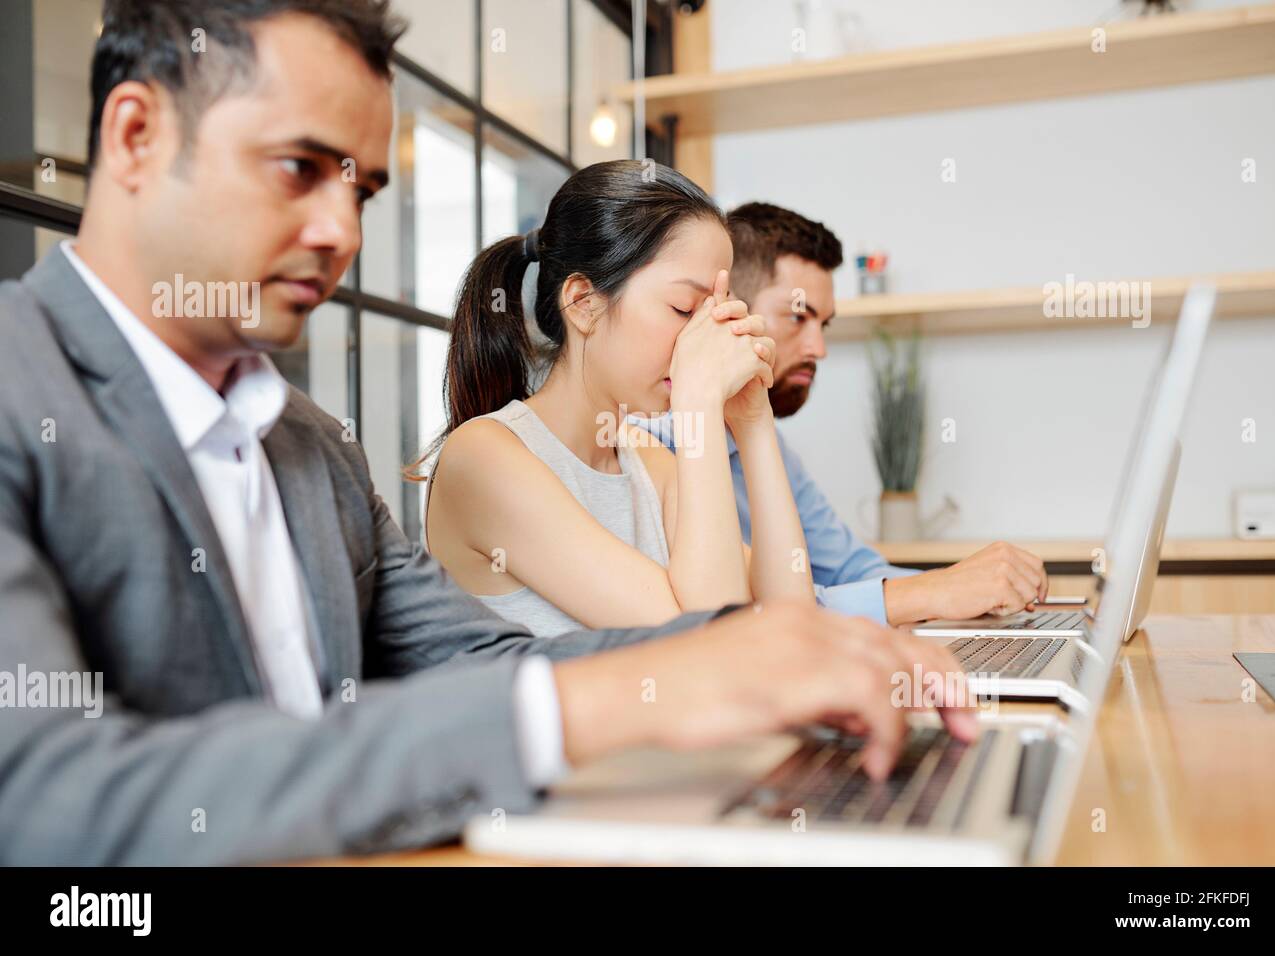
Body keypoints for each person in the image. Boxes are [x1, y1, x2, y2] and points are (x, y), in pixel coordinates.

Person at [0, 0, 973, 865]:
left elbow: (486, 661)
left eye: (364, 190)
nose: (344, 229)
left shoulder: (307, 443)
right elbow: (41, 798)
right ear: (133, 136)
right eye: (301, 168)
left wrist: (775, 652)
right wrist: (601, 701)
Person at [420, 161, 815, 637]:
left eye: (716, 312)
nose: (708, 336)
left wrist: (753, 423)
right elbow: (711, 642)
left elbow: (791, 626)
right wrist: (699, 406)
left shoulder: (648, 460)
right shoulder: (484, 457)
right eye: (684, 309)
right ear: (584, 303)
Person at [635, 202, 1050, 626]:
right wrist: (930, 594)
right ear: (726, 309)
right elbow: (744, 616)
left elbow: (850, 569)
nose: (819, 348)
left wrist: (970, 585)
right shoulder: (644, 443)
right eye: (798, 316)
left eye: (825, 325)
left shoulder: (770, 445)